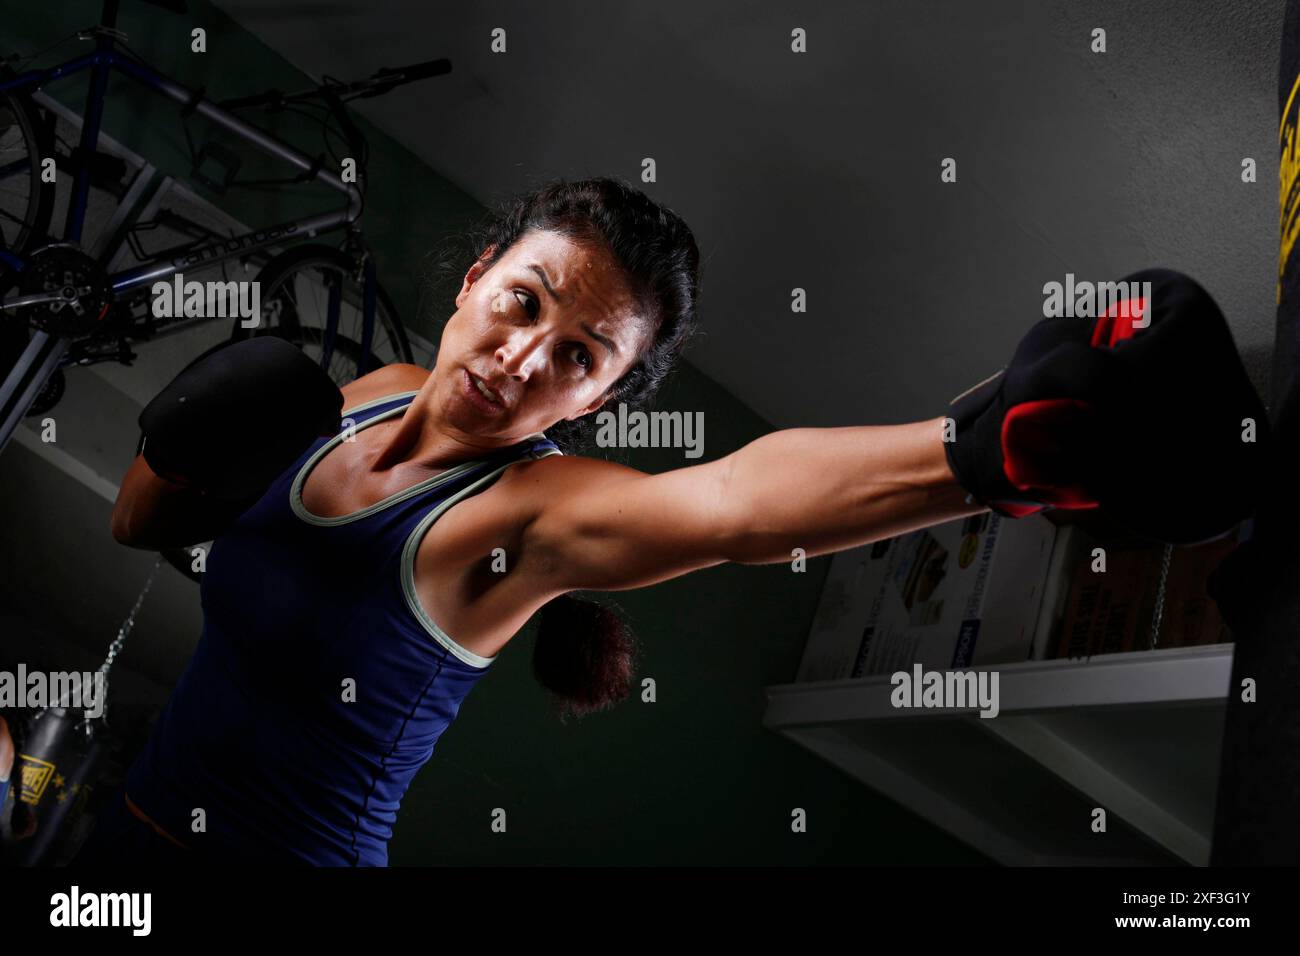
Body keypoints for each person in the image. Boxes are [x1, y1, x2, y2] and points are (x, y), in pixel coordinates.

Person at [81, 177, 1268, 865]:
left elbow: (725, 505)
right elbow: (139, 523)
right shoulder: (375, 389)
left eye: (578, 357)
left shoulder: (527, 516)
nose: (523, 358)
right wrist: (179, 449)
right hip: (137, 809)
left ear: (597, 402)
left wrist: (977, 451)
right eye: (522, 301)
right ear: (476, 275)